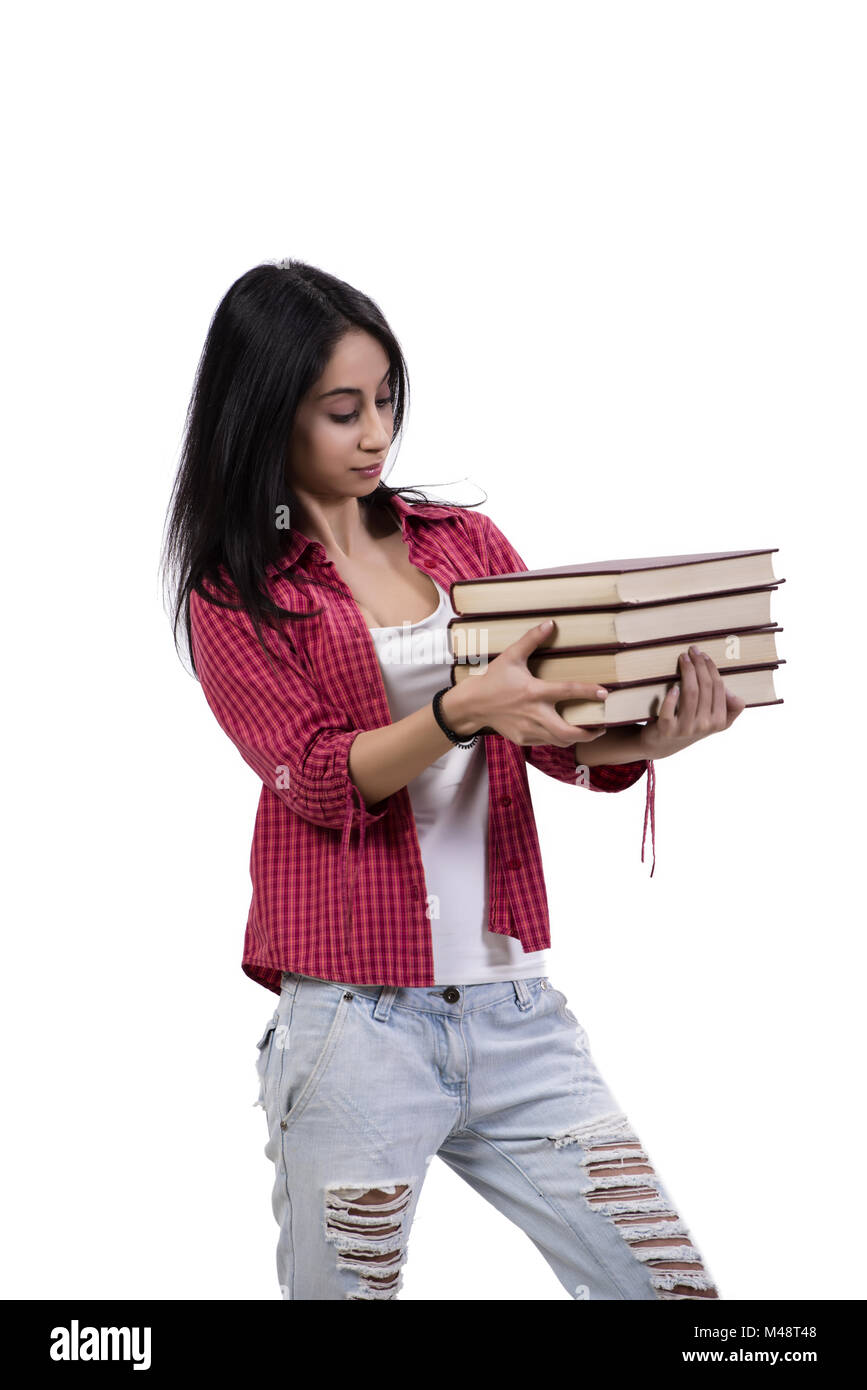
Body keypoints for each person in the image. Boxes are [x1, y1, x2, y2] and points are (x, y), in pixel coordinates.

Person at [162, 259, 744, 1301]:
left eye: (387, 400)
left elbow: (557, 734)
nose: (378, 432)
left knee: (673, 1291)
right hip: (354, 1024)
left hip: (513, 1009)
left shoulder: (462, 542)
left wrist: (651, 738)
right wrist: (456, 711)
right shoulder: (236, 590)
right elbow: (317, 778)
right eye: (344, 411)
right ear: (267, 415)